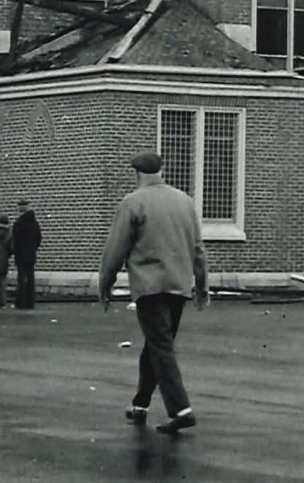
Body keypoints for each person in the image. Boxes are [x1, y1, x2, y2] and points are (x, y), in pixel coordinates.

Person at [100, 151, 208, 436]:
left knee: (160, 345)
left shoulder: (133, 202)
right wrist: (202, 285)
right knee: (156, 345)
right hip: (179, 285)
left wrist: (105, 284)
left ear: (137, 174)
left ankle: (181, 410)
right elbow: (198, 249)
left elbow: (115, 249)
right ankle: (140, 405)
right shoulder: (185, 201)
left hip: (150, 286)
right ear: (162, 171)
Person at [10, 199, 42, 309]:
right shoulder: (35, 223)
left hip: (20, 255)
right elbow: (38, 239)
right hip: (31, 254)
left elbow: (15, 240)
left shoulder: (18, 224)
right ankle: (30, 302)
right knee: (30, 278)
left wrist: (15, 251)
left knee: (21, 278)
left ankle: (21, 301)